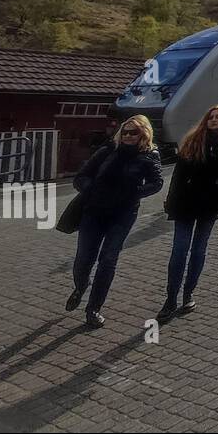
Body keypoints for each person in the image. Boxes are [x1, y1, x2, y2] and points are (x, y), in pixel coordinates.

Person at [66, 114, 163, 329]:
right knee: (83, 258)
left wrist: (133, 193)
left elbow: (157, 183)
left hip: (123, 213)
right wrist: (91, 190)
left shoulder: (149, 155)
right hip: (94, 211)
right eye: (125, 131)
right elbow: (81, 176)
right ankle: (81, 286)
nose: (128, 136)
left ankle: (94, 308)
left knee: (108, 259)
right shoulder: (107, 151)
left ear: (143, 134)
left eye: (134, 132)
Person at [158, 105, 218, 320]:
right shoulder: (193, 141)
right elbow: (178, 175)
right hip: (186, 202)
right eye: (210, 117)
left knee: (198, 250)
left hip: (210, 205)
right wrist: (171, 200)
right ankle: (171, 297)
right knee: (179, 250)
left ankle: (188, 293)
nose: (213, 120)